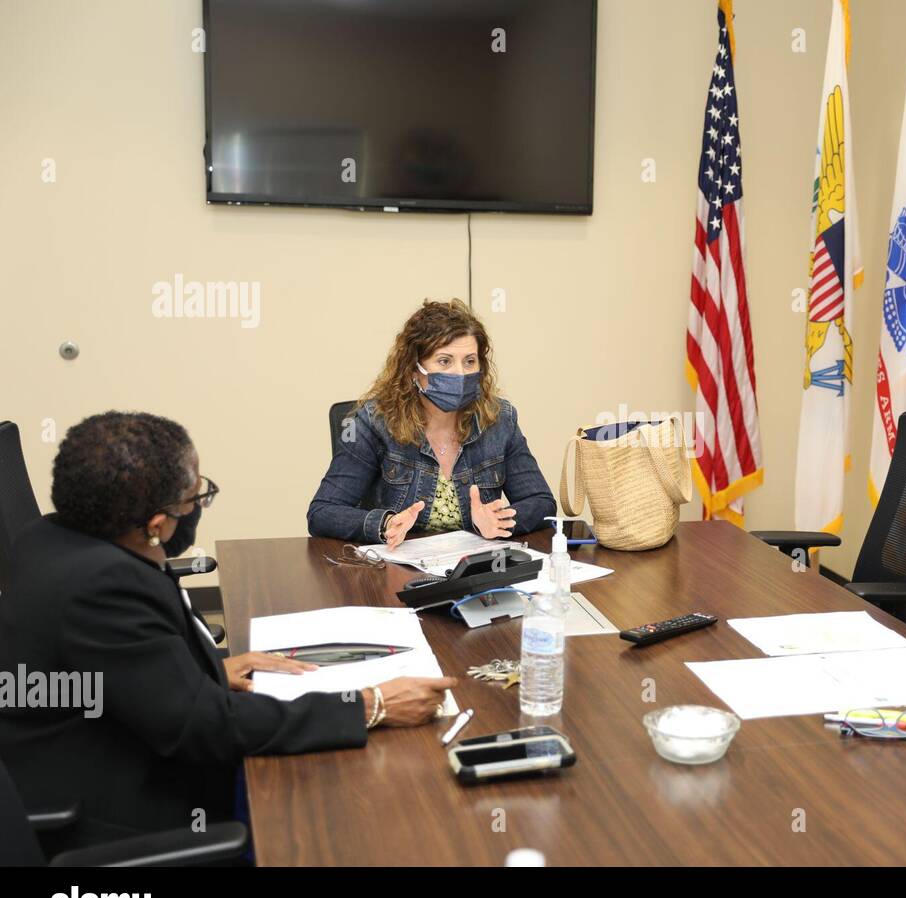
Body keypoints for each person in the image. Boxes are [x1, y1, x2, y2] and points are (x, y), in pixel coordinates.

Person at [0, 412, 455, 849]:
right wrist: (369, 705)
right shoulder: (104, 587)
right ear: (156, 526)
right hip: (127, 814)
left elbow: (125, 668)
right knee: (360, 818)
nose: (197, 506)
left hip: (104, 744)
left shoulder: (49, 535)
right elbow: (205, 727)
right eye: (193, 497)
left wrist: (210, 668)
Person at [308, 298, 557, 546]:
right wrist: (384, 524)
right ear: (413, 370)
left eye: (470, 361)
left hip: (476, 563)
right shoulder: (373, 422)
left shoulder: (499, 419)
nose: (460, 373)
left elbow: (542, 502)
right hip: (398, 566)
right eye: (445, 361)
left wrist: (501, 521)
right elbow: (322, 512)